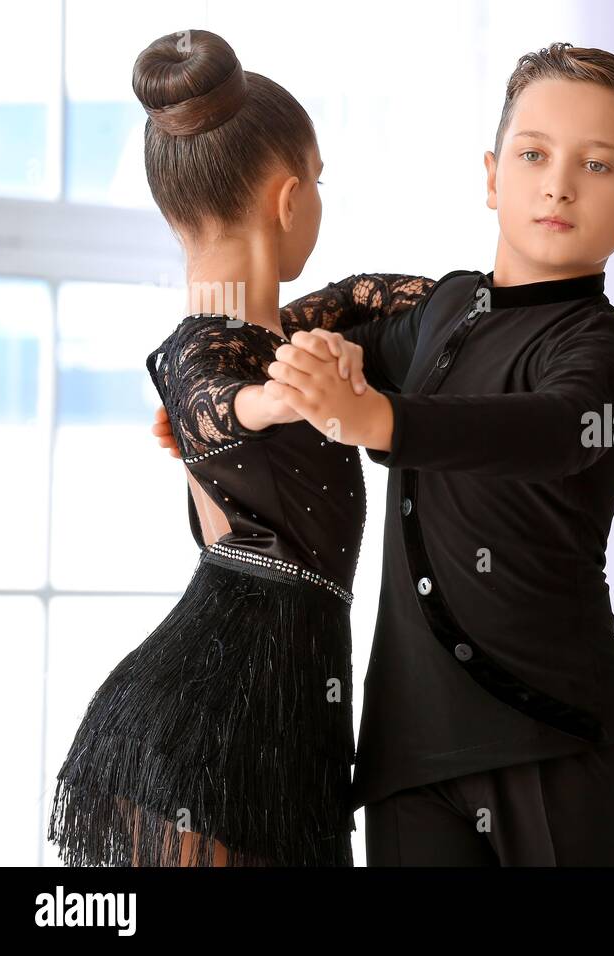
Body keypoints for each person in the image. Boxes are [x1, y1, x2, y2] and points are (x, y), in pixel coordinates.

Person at [155, 42, 614, 865]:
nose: (558, 183)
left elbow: (549, 430)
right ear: (491, 176)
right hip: (406, 761)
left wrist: (378, 419)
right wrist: (207, 398)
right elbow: (278, 335)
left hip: (559, 746)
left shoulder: (598, 351)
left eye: (600, 165)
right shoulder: (442, 310)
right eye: (533, 155)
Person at [46, 28, 431, 867]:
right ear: (290, 200)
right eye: (321, 183)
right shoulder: (202, 351)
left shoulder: (282, 333)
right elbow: (212, 399)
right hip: (212, 718)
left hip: (285, 708)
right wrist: (274, 398)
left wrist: (479, 303)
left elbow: (371, 294)